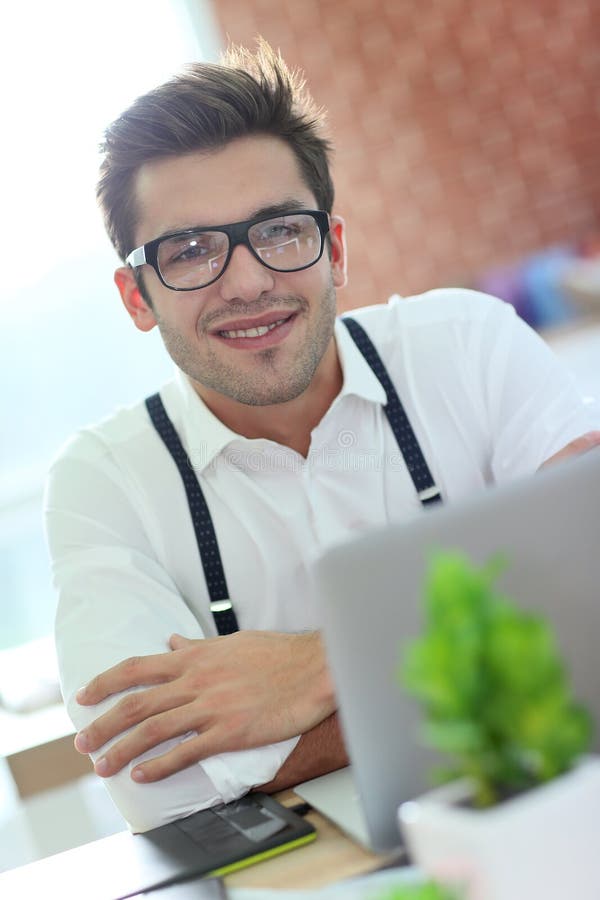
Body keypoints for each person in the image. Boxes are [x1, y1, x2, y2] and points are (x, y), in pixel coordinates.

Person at [45, 40, 599, 834]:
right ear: (137, 297)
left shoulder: (467, 344)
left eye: (278, 231)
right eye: (190, 251)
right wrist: (499, 665)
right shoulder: (104, 483)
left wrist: (322, 663)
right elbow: (158, 781)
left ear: (333, 248)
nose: (247, 282)